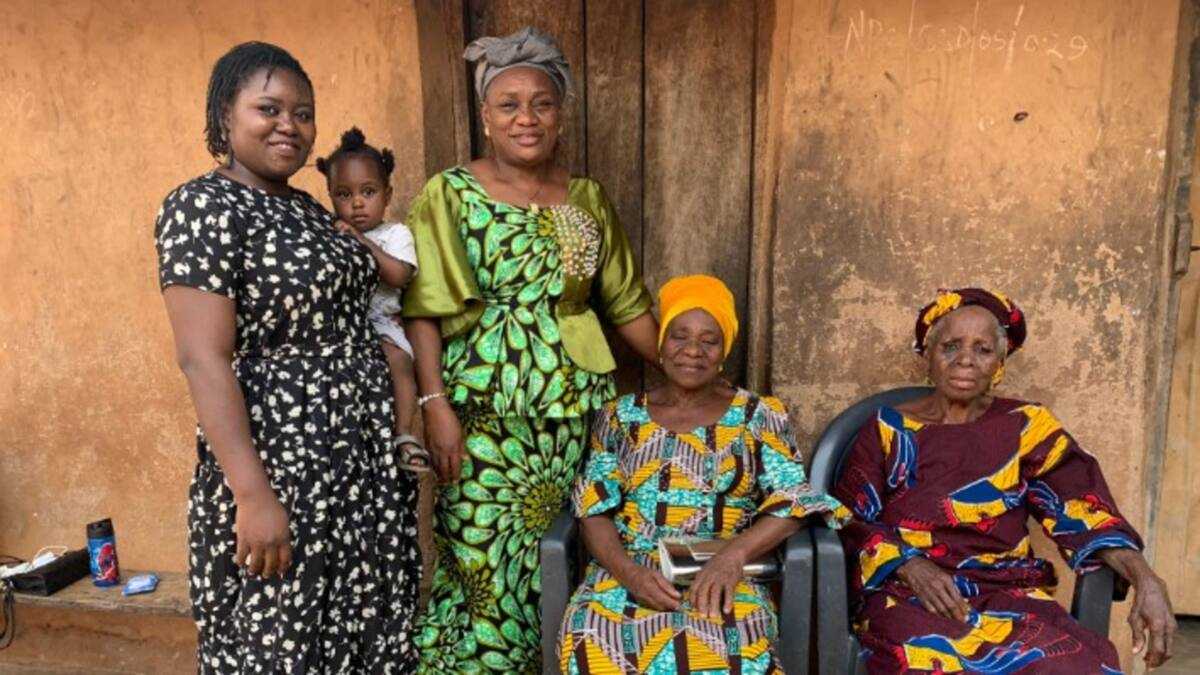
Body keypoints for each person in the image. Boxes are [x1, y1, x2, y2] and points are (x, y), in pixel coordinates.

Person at [155, 42, 419, 672]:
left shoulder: (306, 208)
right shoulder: (201, 208)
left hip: (358, 467)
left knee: (366, 627)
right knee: (284, 634)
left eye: (303, 114)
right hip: (282, 467)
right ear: (225, 116)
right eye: (268, 109)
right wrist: (252, 495)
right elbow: (203, 360)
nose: (289, 127)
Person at [403, 26, 660, 671]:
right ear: (486, 118)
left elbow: (626, 304)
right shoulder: (450, 193)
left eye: (542, 103)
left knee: (566, 553)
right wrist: (435, 405)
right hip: (480, 412)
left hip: (574, 412)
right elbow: (423, 309)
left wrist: (694, 368)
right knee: (482, 561)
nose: (527, 117)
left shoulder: (587, 198)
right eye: (509, 104)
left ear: (561, 115)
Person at [833, 288, 1176, 673]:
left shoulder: (1027, 426)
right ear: (927, 355)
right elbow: (847, 521)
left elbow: (1084, 511)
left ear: (1000, 362)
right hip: (911, 596)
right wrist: (909, 565)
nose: (965, 360)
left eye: (983, 349)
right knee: (929, 661)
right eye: (950, 346)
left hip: (1008, 594)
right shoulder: (887, 429)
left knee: (1074, 664)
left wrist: (1145, 578)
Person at [559, 275, 850, 674]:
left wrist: (734, 555)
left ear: (724, 351)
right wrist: (629, 573)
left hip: (726, 569)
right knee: (591, 643)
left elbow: (794, 502)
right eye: (679, 336)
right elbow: (593, 508)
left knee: (731, 654)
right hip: (631, 569)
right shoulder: (619, 417)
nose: (692, 350)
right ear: (660, 345)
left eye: (709, 340)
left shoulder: (758, 416)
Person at [316, 126, 428, 472]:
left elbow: (399, 275)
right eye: (344, 195)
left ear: (387, 194)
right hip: (346, 329)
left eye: (368, 192)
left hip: (383, 325)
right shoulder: (330, 234)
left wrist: (362, 243)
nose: (358, 203)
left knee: (399, 361)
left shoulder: (395, 234)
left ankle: (404, 436)